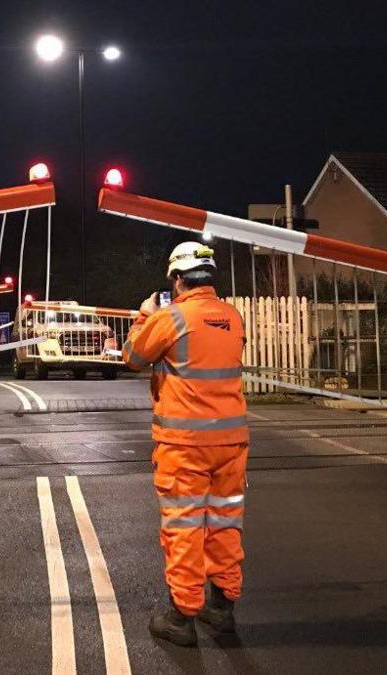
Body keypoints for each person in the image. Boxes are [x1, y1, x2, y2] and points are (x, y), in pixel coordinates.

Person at [122, 241, 248, 647]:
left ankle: (182, 615)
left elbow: (133, 356)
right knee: (225, 523)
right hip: (231, 443)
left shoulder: (171, 317)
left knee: (184, 527)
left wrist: (145, 314)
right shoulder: (233, 317)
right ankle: (222, 608)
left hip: (185, 444)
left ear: (178, 280)